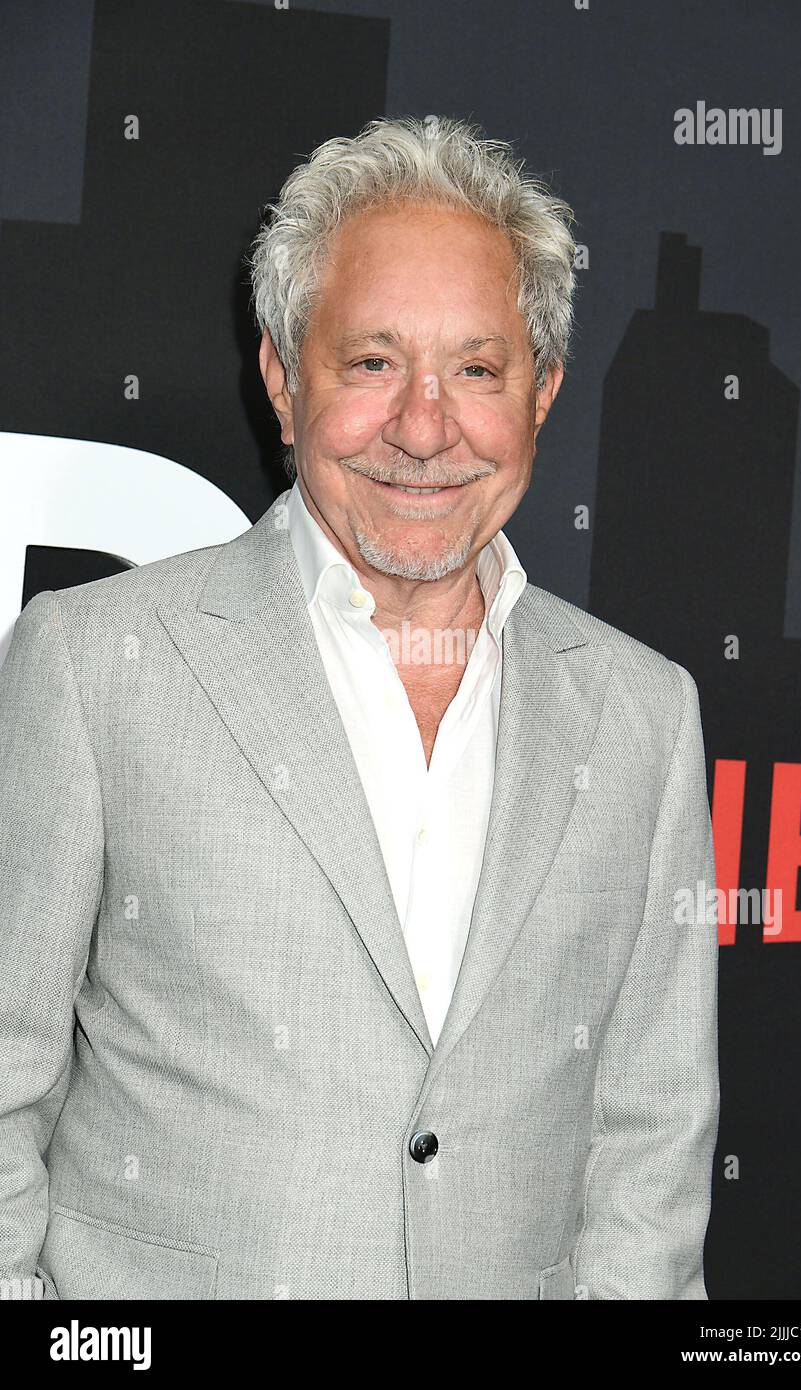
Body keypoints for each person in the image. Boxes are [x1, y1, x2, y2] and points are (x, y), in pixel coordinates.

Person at [0, 115, 719, 1300]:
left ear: (539, 392)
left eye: (476, 369)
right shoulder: (92, 665)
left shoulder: (641, 713)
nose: (424, 428)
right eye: (372, 362)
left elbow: (649, 1144)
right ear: (284, 380)